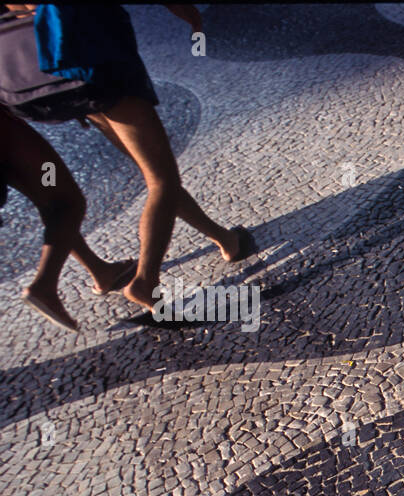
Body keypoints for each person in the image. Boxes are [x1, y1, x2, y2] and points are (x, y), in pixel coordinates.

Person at [15, 3, 255, 314]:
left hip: (58, 74)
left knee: (150, 173)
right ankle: (145, 282)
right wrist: (191, 16)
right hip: (98, 62)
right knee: (162, 179)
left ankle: (225, 240)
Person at [1, 105, 137, 331]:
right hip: (7, 134)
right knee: (64, 200)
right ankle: (44, 285)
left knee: (47, 197)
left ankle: (100, 271)